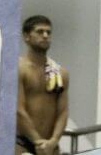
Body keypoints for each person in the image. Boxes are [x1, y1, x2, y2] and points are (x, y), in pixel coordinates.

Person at [17, 15, 70, 155]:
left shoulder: (59, 73)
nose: (45, 36)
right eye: (40, 31)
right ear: (26, 36)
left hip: (50, 146)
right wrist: (37, 141)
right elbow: (19, 110)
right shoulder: (19, 69)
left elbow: (63, 112)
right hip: (23, 144)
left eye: (48, 32)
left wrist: (53, 141)